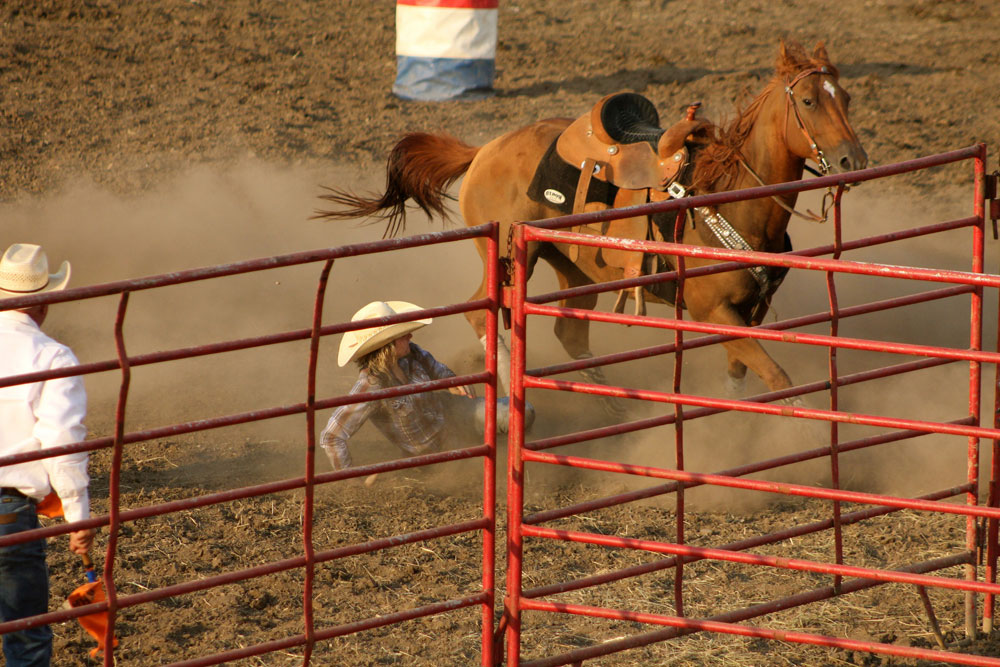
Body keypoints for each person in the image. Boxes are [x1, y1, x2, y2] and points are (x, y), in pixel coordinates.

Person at [0, 243, 95, 666]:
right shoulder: (52, 357)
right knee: (26, 637)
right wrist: (79, 517)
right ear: (46, 302)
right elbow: (62, 441)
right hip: (8, 510)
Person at [320, 300, 532, 471]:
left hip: (457, 417)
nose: (410, 335)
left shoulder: (414, 353)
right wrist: (350, 479)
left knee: (522, 414)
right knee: (486, 460)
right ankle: (505, 454)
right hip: (436, 457)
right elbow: (331, 437)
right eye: (402, 334)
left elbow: (441, 372)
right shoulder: (371, 386)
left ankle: (508, 452)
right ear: (388, 346)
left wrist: (454, 383)